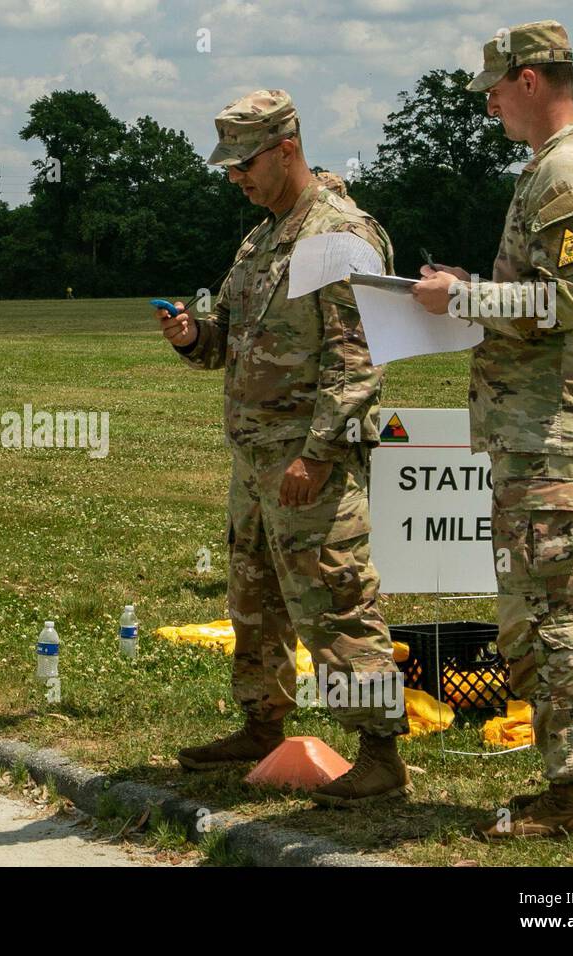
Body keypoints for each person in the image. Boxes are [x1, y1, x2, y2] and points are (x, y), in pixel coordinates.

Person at [159, 90, 411, 807]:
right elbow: (233, 343)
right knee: (256, 601)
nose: (235, 177)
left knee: (334, 601)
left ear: (286, 149)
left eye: (244, 162)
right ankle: (261, 723)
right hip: (257, 462)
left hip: (310, 465)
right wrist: (193, 338)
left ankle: (378, 753)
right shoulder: (263, 237)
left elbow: (357, 357)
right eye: (229, 166)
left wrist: (320, 453)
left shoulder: (339, 235)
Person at [411, 21, 573, 840]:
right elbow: (545, 291)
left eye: (497, 87)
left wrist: (459, 302)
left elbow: (564, 307)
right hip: (548, 426)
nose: (490, 102)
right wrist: (472, 284)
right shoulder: (557, 168)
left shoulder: (565, 173)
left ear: (532, 80)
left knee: (546, 617)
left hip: (547, 428)